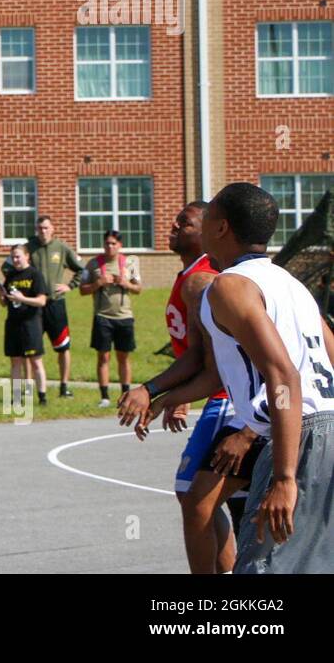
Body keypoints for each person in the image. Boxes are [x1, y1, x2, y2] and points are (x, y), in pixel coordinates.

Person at [135, 183, 334, 574]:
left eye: (206, 216)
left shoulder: (229, 287)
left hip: (301, 436)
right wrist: (162, 396)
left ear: (221, 227)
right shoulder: (291, 285)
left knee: (264, 568)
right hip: (323, 427)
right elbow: (223, 372)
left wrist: (285, 476)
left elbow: (283, 375)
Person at [117, 201, 250, 574]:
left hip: (232, 399)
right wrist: (176, 396)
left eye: (185, 223)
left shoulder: (204, 280)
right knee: (224, 498)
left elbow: (215, 362)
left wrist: (158, 393)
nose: (174, 226)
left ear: (210, 230)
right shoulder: (190, 276)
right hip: (225, 394)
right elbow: (200, 355)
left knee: (193, 494)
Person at [3, 216, 85, 397]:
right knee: (28, 349)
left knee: (63, 346)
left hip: (55, 303)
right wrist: (16, 284)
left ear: (53, 228)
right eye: (40, 228)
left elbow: (82, 269)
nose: (43, 231)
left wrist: (69, 286)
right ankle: (28, 387)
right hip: (32, 307)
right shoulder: (28, 247)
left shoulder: (61, 248)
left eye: (46, 228)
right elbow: (6, 267)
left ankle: (64, 386)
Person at [79, 230, 142, 407]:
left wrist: (125, 283)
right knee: (103, 357)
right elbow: (82, 290)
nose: (110, 246)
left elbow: (138, 289)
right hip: (102, 317)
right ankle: (105, 397)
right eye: (107, 243)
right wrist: (97, 283)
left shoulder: (129, 263)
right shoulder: (93, 264)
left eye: (114, 243)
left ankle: (125, 394)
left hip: (124, 316)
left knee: (123, 357)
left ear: (120, 245)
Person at [0, 243, 49, 407]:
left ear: (27, 256)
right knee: (15, 362)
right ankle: (17, 397)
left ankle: (42, 396)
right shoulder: (11, 276)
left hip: (30, 323)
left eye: (18, 256)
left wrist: (22, 299)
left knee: (35, 361)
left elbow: (42, 301)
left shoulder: (35, 275)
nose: (15, 260)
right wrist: (1, 296)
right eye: (13, 257)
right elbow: (4, 304)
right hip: (13, 323)